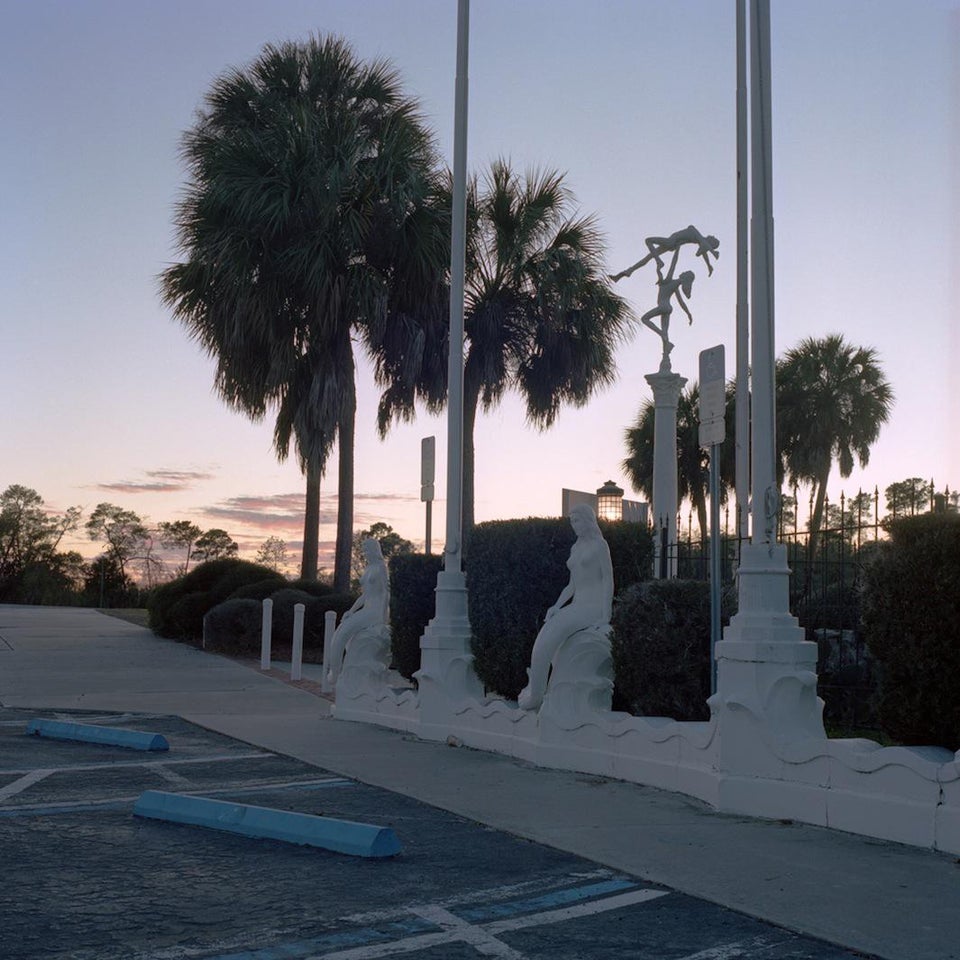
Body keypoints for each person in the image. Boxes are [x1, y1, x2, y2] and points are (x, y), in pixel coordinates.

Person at [517, 504, 614, 711]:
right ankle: (536, 691)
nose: (574, 525)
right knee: (549, 630)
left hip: (593, 608)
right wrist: (556, 606)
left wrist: (606, 615)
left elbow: (608, 580)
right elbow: (572, 585)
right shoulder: (576, 547)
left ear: (588, 521)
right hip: (578, 605)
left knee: (553, 632)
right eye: (571, 521)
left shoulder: (600, 545)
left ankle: (535, 695)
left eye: (577, 520)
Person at [327, 538, 389, 685]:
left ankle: (334, 672)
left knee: (343, 631)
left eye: (367, 550)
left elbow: (386, 593)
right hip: (366, 610)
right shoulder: (368, 568)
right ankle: (335, 669)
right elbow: (365, 595)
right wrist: (351, 610)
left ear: (375, 550)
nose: (365, 553)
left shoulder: (381, 567)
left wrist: (383, 619)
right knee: (342, 629)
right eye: (364, 550)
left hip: (375, 613)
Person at [610, 225, 719, 282]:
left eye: (714, 239)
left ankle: (659, 261)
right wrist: (709, 265)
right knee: (647, 258)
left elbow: (704, 246)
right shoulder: (699, 239)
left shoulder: (696, 234)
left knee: (648, 240)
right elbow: (704, 249)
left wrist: (713, 253)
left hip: (670, 241)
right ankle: (628, 272)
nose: (713, 236)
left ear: (711, 242)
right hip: (671, 243)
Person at [639, 269, 695, 359]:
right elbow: (681, 303)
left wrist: (676, 253)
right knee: (666, 332)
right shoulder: (675, 286)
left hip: (663, 307)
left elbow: (673, 264)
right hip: (668, 308)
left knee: (644, 319)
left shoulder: (669, 280)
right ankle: (666, 353)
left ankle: (661, 334)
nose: (682, 272)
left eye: (684, 272)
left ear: (685, 276)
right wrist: (688, 314)